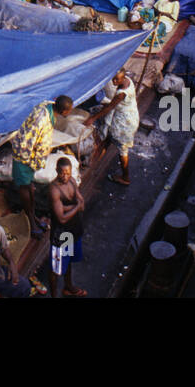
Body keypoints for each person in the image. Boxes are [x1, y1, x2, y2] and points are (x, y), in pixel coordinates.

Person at [11, 96, 72, 237]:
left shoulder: (48, 109)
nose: (70, 112)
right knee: (24, 188)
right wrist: (26, 162)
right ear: (63, 111)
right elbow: (27, 140)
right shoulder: (41, 119)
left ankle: (33, 216)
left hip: (31, 159)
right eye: (69, 110)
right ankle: (31, 222)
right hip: (24, 158)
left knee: (29, 186)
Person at [87, 69, 141, 185]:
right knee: (114, 140)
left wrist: (93, 118)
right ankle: (100, 156)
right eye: (113, 78)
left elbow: (110, 107)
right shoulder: (128, 81)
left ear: (123, 78)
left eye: (117, 79)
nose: (114, 81)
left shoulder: (121, 93)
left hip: (125, 122)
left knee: (123, 150)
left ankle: (125, 177)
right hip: (131, 115)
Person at [44, 157, 86, 297]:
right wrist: (76, 207)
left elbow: (82, 203)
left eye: (68, 173)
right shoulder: (54, 190)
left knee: (68, 260)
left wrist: (68, 207)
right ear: (56, 171)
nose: (65, 176)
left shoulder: (72, 181)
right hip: (62, 234)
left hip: (73, 231)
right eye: (62, 173)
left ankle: (68, 286)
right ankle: (54, 295)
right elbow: (61, 218)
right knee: (55, 268)